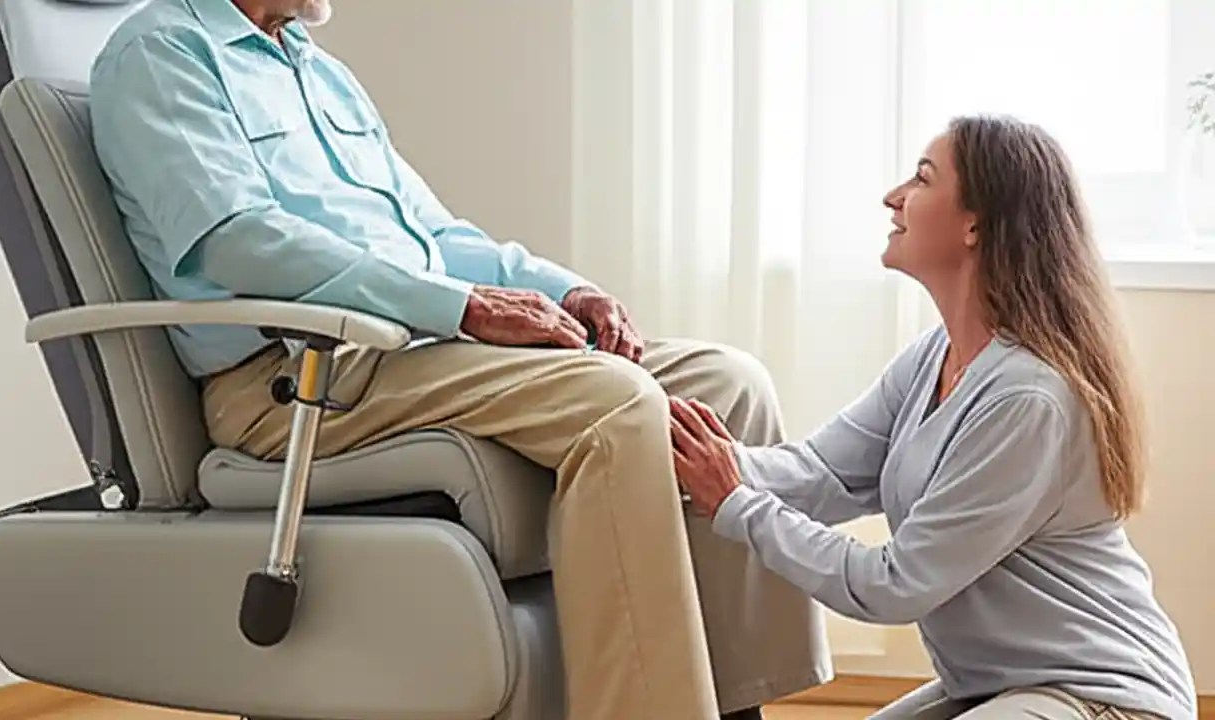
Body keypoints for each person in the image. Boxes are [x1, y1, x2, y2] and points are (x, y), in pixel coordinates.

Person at [87, 0, 830, 718]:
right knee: (615, 404)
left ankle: (738, 703)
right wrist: (465, 308)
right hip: (295, 380)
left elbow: (433, 234)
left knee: (727, 384)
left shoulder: (315, 70)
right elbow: (243, 243)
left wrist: (566, 290)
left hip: (407, 350)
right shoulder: (160, 54)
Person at [669, 114, 1198, 719]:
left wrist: (737, 502)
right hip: (999, 686)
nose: (893, 197)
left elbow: (894, 584)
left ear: (976, 223)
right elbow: (826, 472)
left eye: (921, 179)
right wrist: (704, 465)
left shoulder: (1028, 400)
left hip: (1104, 698)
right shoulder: (934, 358)